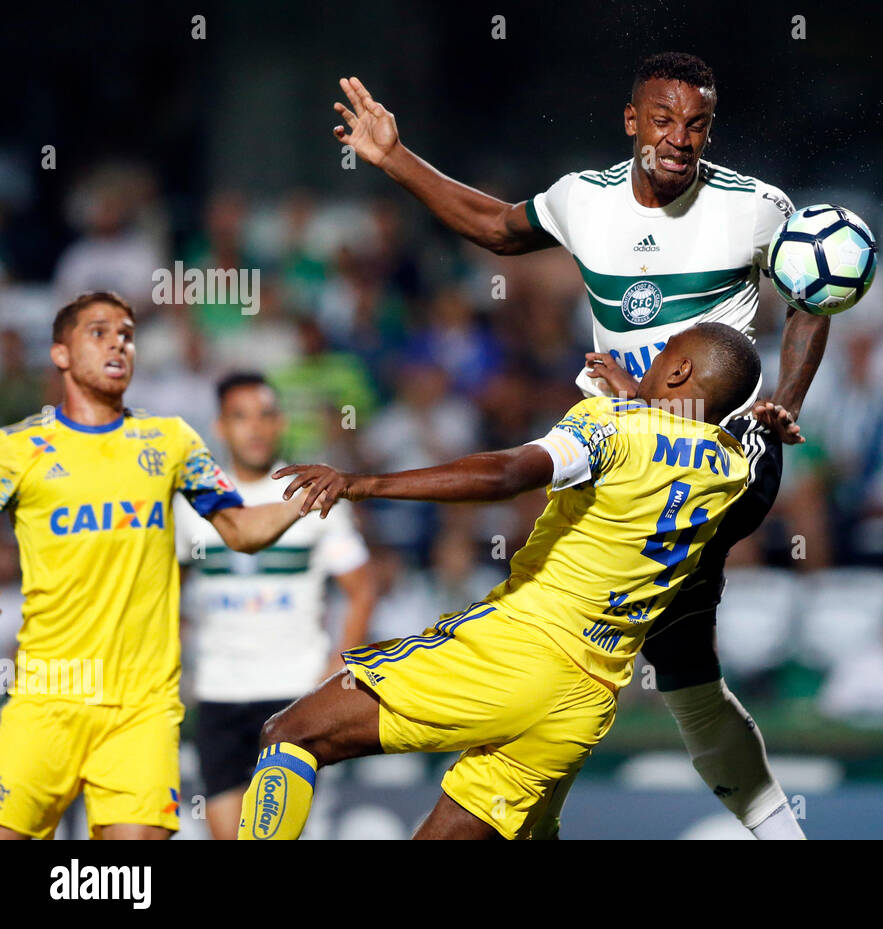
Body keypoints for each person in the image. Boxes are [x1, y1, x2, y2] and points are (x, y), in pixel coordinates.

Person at [331, 50, 822, 840]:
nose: (679, 138)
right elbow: (494, 226)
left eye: (696, 125)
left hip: (721, 456)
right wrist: (394, 158)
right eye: (663, 120)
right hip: (614, 451)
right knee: (679, 668)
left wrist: (784, 400)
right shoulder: (580, 200)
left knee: (578, 645)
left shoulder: (757, 208)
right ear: (632, 121)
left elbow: (816, 292)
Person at [236, 323, 756, 840]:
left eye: (666, 352)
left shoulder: (611, 424)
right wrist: (645, 401)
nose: (656, 358)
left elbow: (507, 475)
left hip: (515, 649)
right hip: (585, 701)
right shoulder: (732, 468)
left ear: (681, 369)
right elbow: (682, 441)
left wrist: (364, 482)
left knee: (291, 735)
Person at [0, 292, 315, 840]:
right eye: (98, 332)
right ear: (60, 354)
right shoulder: (17, 450)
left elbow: (239, 529)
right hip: (46, 697)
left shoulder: (170, 441)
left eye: (126, 332)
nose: (118, 341)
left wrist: (318, 492)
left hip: (141, 707)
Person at [175, 371, 376, 840]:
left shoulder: (316, 495)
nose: (256, 428)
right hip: (219, 694)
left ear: (281, 423)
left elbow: (362, 588)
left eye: (266, 415)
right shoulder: (192, 506)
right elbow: (165, 590)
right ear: (220, 427)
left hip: (294, 693)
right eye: (241, 417)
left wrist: (336, 665)